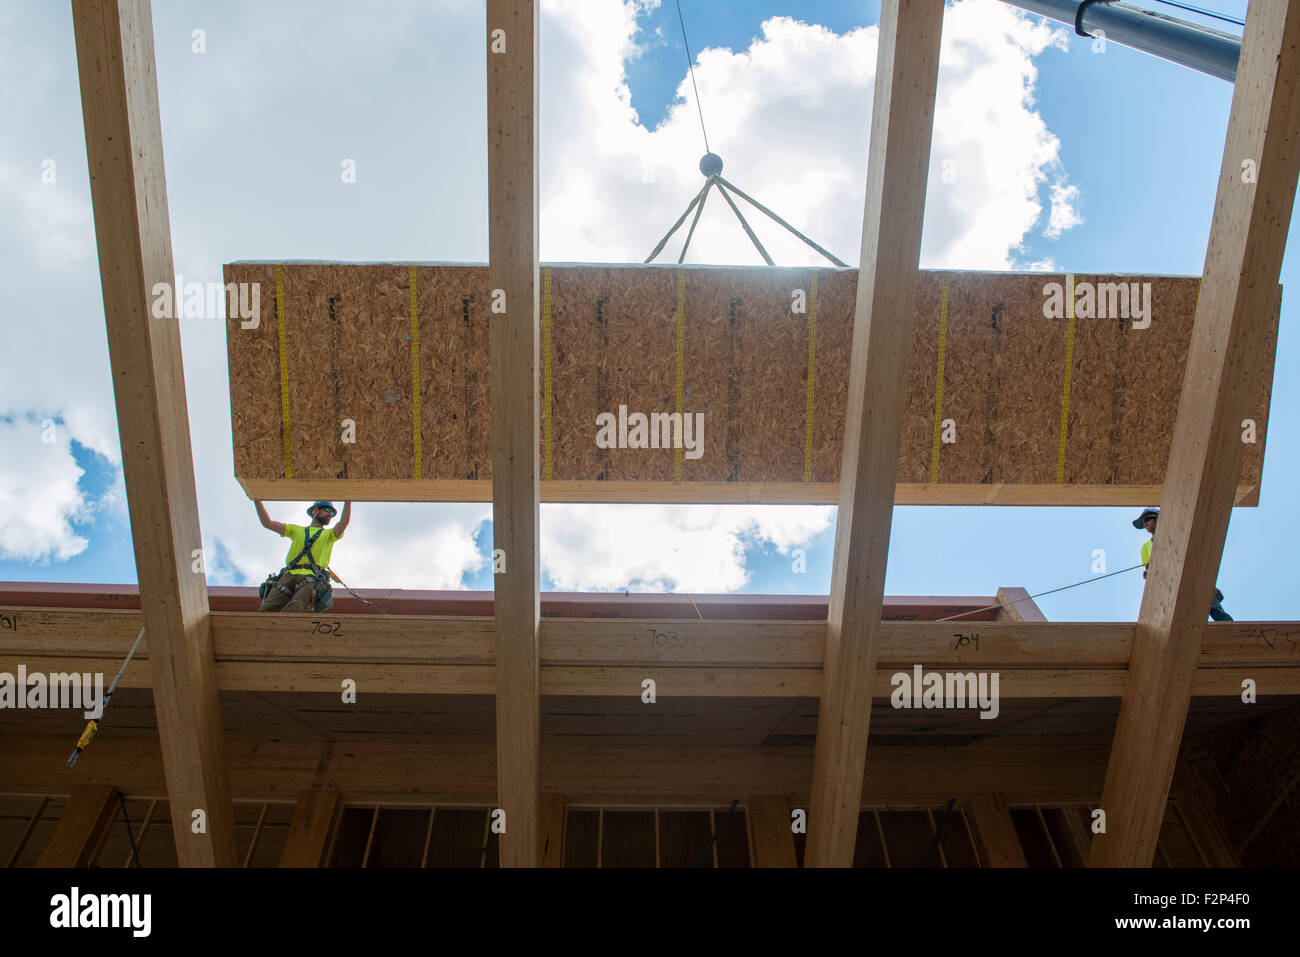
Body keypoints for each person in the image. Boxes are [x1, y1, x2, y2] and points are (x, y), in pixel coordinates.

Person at [1133, 507, 1232, 621]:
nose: (1145, 524)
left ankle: (1232, 633)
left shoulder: (1177, 537)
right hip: (1170, 586)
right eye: (1143, 522)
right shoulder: (1145, 548)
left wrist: (1208, 583)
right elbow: (1149, 570)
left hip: (1191, 578)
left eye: (1147, 519)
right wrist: (1148, 574)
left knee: (1214, 609)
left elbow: (1194, 559)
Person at [255, 500, 351, 612]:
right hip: (288, 575)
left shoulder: (330, 534)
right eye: (327, 510)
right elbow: (267, 523)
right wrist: (257, 500)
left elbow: (343, 523)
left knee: (296, 610)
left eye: (332, 513)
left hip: (311, 576)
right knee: (266, 609)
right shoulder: (296, 530)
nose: (330, 514)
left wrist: (348, 501)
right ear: (315, 511)